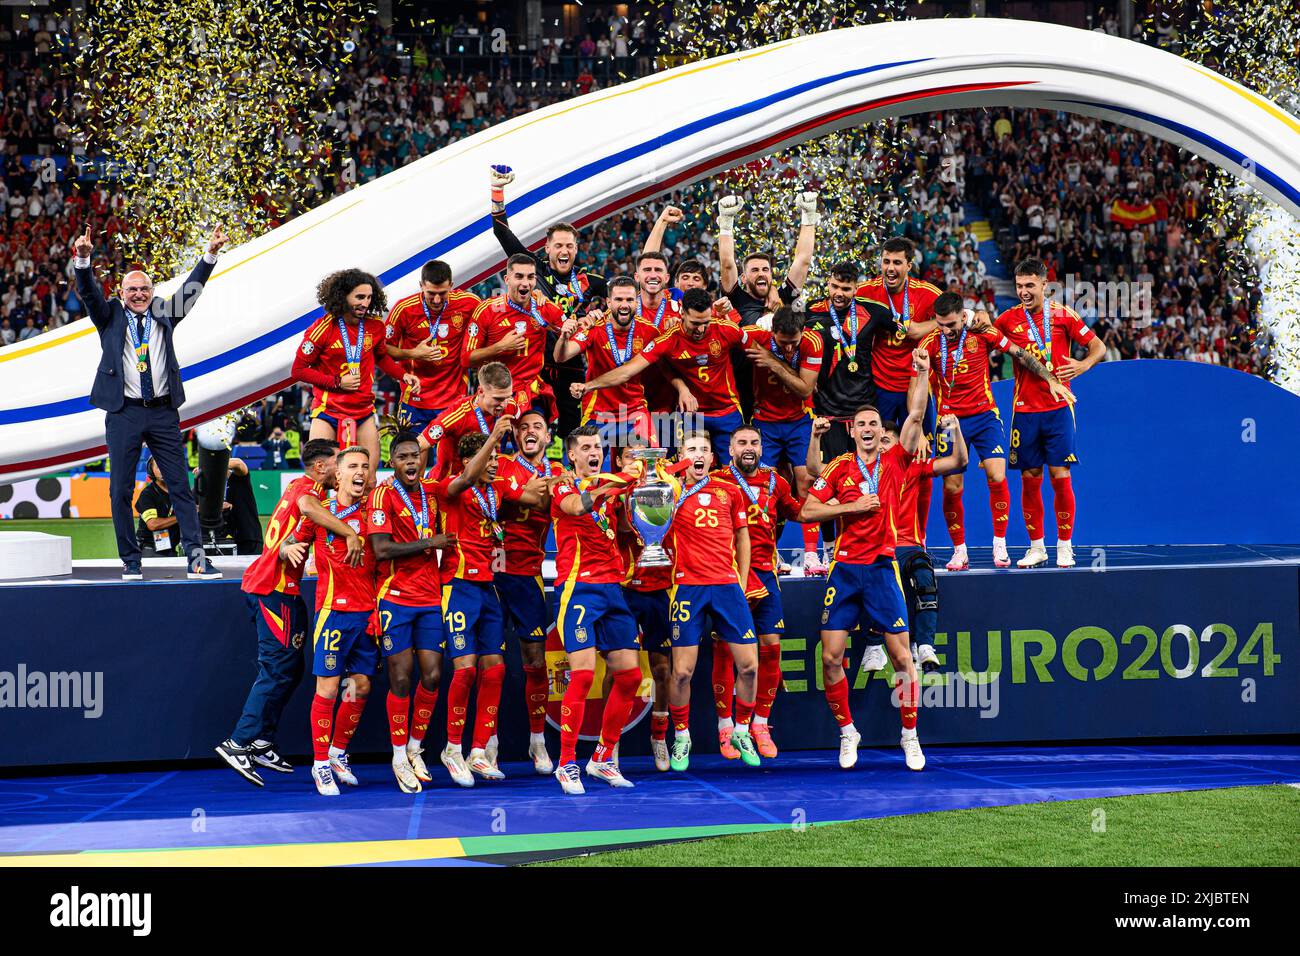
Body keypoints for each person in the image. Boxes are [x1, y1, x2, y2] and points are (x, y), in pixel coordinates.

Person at [72, 223, 227, 581]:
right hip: (123, 411)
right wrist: (83, 259)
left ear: (152, 291)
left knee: (180, 486)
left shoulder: (165, 314)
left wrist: (210, 255)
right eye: (132, 289)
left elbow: (192, 290)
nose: (138, 294)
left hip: (161, 411)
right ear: (122, 292)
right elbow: (89, 292)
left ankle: (197, 558)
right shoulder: (108, 315)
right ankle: (130, 559)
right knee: (120, 489)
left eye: (144, 288)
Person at [215, 439, 364, 787]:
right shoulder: (305, 489)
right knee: (275, 668)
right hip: (272, 590)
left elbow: (282, 535)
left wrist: (287, 547)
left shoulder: (302, 492)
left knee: (291, 668)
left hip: (284, 589)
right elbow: (309, 509)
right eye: (339, 464)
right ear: (324, 467)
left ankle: (261, 740)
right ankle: (238, 742)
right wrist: (349, 533)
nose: (344, 472)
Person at [800, 401, 929, 773]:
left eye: (874, 422)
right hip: (843, 570)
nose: (869, 428)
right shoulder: (840, 466)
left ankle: (909, 734)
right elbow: (808, 511)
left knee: (903, 658)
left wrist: (920, 372)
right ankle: (847, 731)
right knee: (830, 658)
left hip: (881, 570)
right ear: (853, 431)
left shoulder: (894, 461)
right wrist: (850, 507)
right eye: (862, 424)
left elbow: (917, 415)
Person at [921, 292, 1071, 570]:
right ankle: (959, 551)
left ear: (961, 316)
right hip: (948, 422)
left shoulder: (982, 332)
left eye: (951, 324)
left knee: (997, 475)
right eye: (940, 324)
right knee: (952, 486)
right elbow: (917, 386)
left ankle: (999, 543)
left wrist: (1050, 378)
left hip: (985, 416)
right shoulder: (930, 344)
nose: (946, 330)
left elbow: (1020, 353)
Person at [433, 422, 547, 784]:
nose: (497, 462)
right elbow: (466, 477)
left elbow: (533, 497)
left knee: (495, 669)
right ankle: (452, 748)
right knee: (465, 670)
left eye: (498, 455)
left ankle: (479, 750)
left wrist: (565, 481)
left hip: (489, 590)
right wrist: (494, 438)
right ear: (471, 459)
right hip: (459, 587)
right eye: (490, 457)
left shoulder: (496, 489)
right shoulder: (450, 488)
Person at [550, 424, 645, 794]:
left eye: (598, 447)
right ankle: (566, 763)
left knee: (630, 677)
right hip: (578, 590)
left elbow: (623, 525)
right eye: (587, 447)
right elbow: (575, 506)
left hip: (613, 589)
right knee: (585, 675)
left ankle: (603, 757)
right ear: (572, 454)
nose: (595, 452)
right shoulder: (561, 483)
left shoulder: (611, 492)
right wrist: (617, 481)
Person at [994, 258, 1105, 568]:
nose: (1024, 292)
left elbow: (1098, 346)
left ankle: (1065, 546)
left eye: (1030, 285)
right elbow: (985, 334)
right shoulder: (1007, 320)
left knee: (1060, 476)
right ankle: (1036, 547)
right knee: (1030, 479)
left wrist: (1083, 364)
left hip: (1058, 409)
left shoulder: (1063, 315)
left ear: (1045, 285)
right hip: (1024, 410)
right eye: (1019, 286)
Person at [664, 430, 760, 771]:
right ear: (683, 455)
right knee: (682, 673)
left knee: (749, 666)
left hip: (727, 586)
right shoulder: (670, 492)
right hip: (687, 587)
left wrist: (743, 580)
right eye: (692, 449)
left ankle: (742, 729)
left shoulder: (730, 492)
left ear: (712, 456)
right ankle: (681, 735)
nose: (699, 454)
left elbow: (743, 537)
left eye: (704, 448)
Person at [490, 165, 608, 437]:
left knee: (574, 433)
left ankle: (570, 478)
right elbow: (501, 233)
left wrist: (600, 313)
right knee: (527, 430)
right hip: (534, 366)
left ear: (576, 249)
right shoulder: (535, 269)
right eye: (558, 245)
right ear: (547, 248)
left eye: (569, 246)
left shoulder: (591, 280)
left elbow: (625, 296)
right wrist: (497, 191)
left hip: (572, 367)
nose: (564, 250)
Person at [710, 425, 806, 759]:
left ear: (762, 448)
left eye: (754, 442)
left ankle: (759, 723)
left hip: (765, 574)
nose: (748, 448)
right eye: (742, 443)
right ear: (730, 448)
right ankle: (725, 729)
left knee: (771, 648)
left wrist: (844, 507)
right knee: (725, 650)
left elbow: (800, 512)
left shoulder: (776, 481)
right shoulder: (716, 480)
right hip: (727, 574)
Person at [369, 432, 457, 793]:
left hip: (430, 599)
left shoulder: (430, 493)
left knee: (433, 677)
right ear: (392, 461)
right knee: (401, 679)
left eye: (415, 456)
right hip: (395, 598)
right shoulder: (382, 495)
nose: (410, 461)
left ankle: (415, 748)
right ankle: (397, 756)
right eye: (403, 456)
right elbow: (381, 549)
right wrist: (430, 543)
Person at [294, 446, 380, 796]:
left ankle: (337, 753)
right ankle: (318, 765)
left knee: (361, 687)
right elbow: (291, 541)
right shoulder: (321, 512)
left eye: (365, 466)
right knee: (328, 690)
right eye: (353, 467)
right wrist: (287, 549)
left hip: (368, 614)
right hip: (333, 614)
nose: (360, 472)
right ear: (338, 475)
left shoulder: (376, 512)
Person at [574, 288, 749, 458]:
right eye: (695, 323)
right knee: (688, 468)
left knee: (733, 471)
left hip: (727, 411)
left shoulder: (726, 329)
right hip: (691, 414)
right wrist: (588, 386)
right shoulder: (667, 339)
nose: (701, 330)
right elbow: (628, 371)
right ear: (682, 313)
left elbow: (758, 349)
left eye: (706, 323)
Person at [803, 264, 896, 574]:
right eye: (834, 287)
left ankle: (884, 543)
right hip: (828, 414)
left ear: (856, 289)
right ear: (827, 285)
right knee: (826, 483)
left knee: (871, 483)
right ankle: (829, 549)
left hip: (863, 416)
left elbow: (907, 331)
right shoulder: (811, 311)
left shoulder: (874, 312)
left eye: (846, 289)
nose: (839, 294)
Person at [291, 268, 420, 472]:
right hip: (328, 411)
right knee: (321, 476)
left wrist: (402, 375)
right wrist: (337, 382)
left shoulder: (375, 326)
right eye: (359, 297)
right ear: (342, 296)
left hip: (363, 411)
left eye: (369, 297)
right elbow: (298, 370)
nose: (365, 303)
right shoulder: (322, 329)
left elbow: (381, 357)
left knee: (368, 478)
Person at [856, 240, 942, 546]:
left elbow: (954, 314)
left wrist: (923, 326)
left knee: (921, 461)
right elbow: (832, 305)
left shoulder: (927, 294)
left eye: (897, 263)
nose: (890, 268)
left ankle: (918, 537)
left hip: (916, 388)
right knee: (872, 461)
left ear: (909, 265)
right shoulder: (865, 291)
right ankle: (876, 534)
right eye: (886, 262)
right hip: (877, 390)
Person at [493, 410, 563, 774]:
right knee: (489, 662)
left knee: (535, 661)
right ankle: (487, 742)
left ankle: (538, 740)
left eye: (537, 427)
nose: (530, 432)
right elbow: (493, 504)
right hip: (491, 570)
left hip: (528, 574)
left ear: (549, 437)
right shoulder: (501, 464)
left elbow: (554, 504)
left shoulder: (557, 474)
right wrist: (523, 496)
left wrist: (520, 497)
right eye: (523, 428)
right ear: (515, 437)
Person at [741, 305, 823, 573]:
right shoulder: (756, 337)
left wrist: (771, 360)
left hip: (800, 421)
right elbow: (727, 333)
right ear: (772, 331)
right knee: (765, 488)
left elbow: (805, 388)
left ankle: (811, 555)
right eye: (783, 343)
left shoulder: (812, 341)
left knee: (807, 482)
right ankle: (769, 553)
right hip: (764, 422)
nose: (789, 349)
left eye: (793, 343)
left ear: (802, 332)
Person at [615, 439, 673, 772]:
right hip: (624, 589)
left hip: (660, 587)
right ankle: (612, 745)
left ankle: (659, 738)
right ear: (620, 461)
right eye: (629, 458)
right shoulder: (615, 491)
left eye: (642, 459)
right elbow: (624, 527)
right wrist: (629, 492)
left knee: (662, 669)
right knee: (619, 670)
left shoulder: (664, 489)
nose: (636, 464)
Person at [553, 275, 661, 446]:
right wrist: (564, 337)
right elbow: (561, 356)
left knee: (649, 465)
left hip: (635, 411)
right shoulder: (594, 327)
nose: (624, 305)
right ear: (609, 302)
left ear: (637, 302)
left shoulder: (650, 331)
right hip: (598, 413)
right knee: (591, 470)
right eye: (618, 299)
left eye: (629, 299)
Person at [383, 259, 481, 440]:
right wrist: (413, 353)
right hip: (414, 400)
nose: (436, 300)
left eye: (443, 293)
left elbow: (490, 323)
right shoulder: (404, 309)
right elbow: (383, 348)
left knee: (452, 462)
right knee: (412, 461)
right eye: (431, 294)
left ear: (451, 285)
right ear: (421, 286)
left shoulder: (469, 303)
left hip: (454, 400)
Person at [465, 254, 565, 422]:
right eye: (519, 276)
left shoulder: (543, 306)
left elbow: (574, 334)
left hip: (530, 395)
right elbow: (466, 359)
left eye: (530, 277)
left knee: (533, 444)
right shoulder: (486, 310)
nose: (525, 283)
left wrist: (584, 320)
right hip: (493, 396)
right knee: (491, 447)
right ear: (507, 279)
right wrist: (500, 347)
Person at [417, 361, 517, 480]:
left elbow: (525, 427)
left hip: (489, 482)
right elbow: (419, 444)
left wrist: (519, 454)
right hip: (450, 485)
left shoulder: (510, 405)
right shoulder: (457, 415)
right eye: (498, 399)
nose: (504, 404)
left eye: (508, 397)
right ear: (480, 392)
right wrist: (413, 484)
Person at [134, 456, 181, 556]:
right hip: (150, 550)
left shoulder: (179, 491)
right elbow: (153, 524)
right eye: (159, 467)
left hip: (171, 550)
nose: (163, 469)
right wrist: (182, 516)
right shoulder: (147, 494)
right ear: (151, 470)